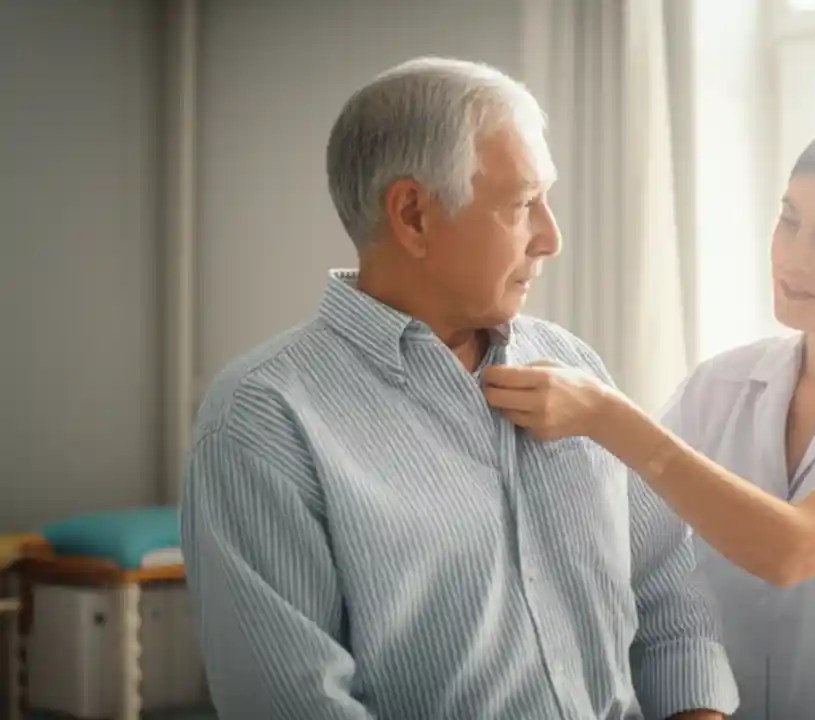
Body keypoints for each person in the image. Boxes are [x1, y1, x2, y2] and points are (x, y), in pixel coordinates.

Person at [179, 57, 738, 720]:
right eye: (524, 205)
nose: (552, 239)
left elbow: (670, 595)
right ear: (413, 214)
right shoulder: (262, 419)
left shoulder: (572, 362)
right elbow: (294, 703)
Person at [483, 120, 815, 718]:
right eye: (789, 221)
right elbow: (630, 546)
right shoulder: (721, 386)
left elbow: (793, 549)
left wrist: (607, 415)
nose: (793, 257)